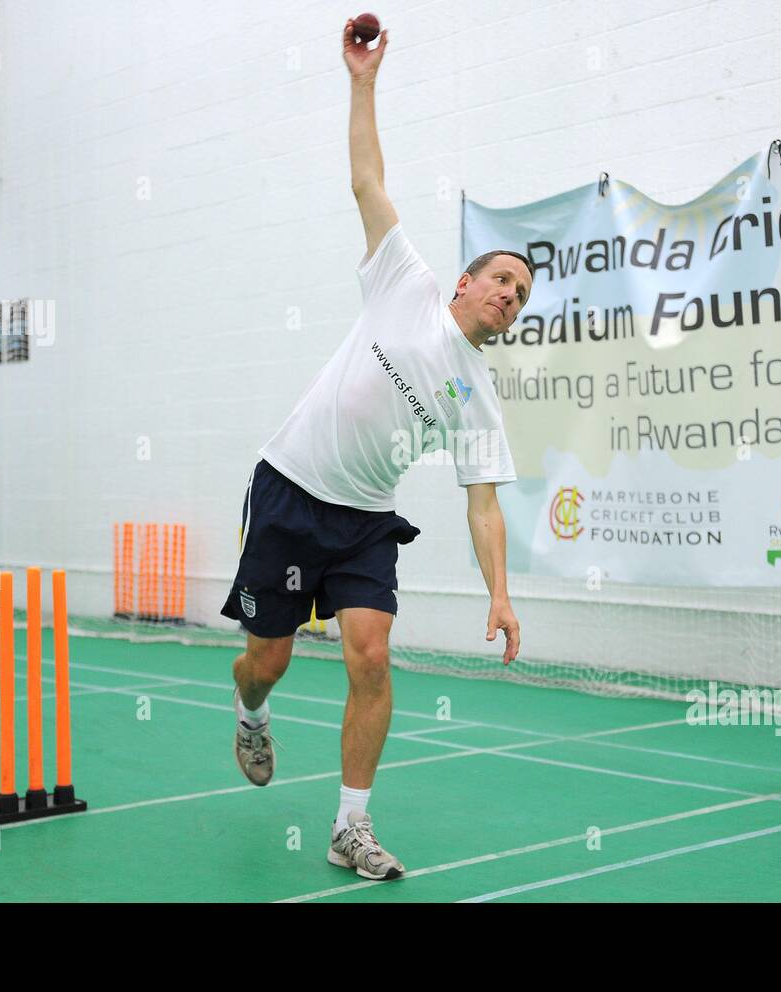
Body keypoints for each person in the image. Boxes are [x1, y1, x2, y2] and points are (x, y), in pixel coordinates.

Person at [221, 19, 530, 882]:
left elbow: (482, 503)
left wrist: (500, 594)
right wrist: (363, 81)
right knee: (268, 658)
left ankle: (350, 826)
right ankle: (250, 711)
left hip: (362, 522)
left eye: (522, 295)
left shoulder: (480, 397)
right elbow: (367, 178)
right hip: (290, 487)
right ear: (466, 283)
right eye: (501, 279)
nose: (510, 295)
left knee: (371, 654)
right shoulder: (407, 283)